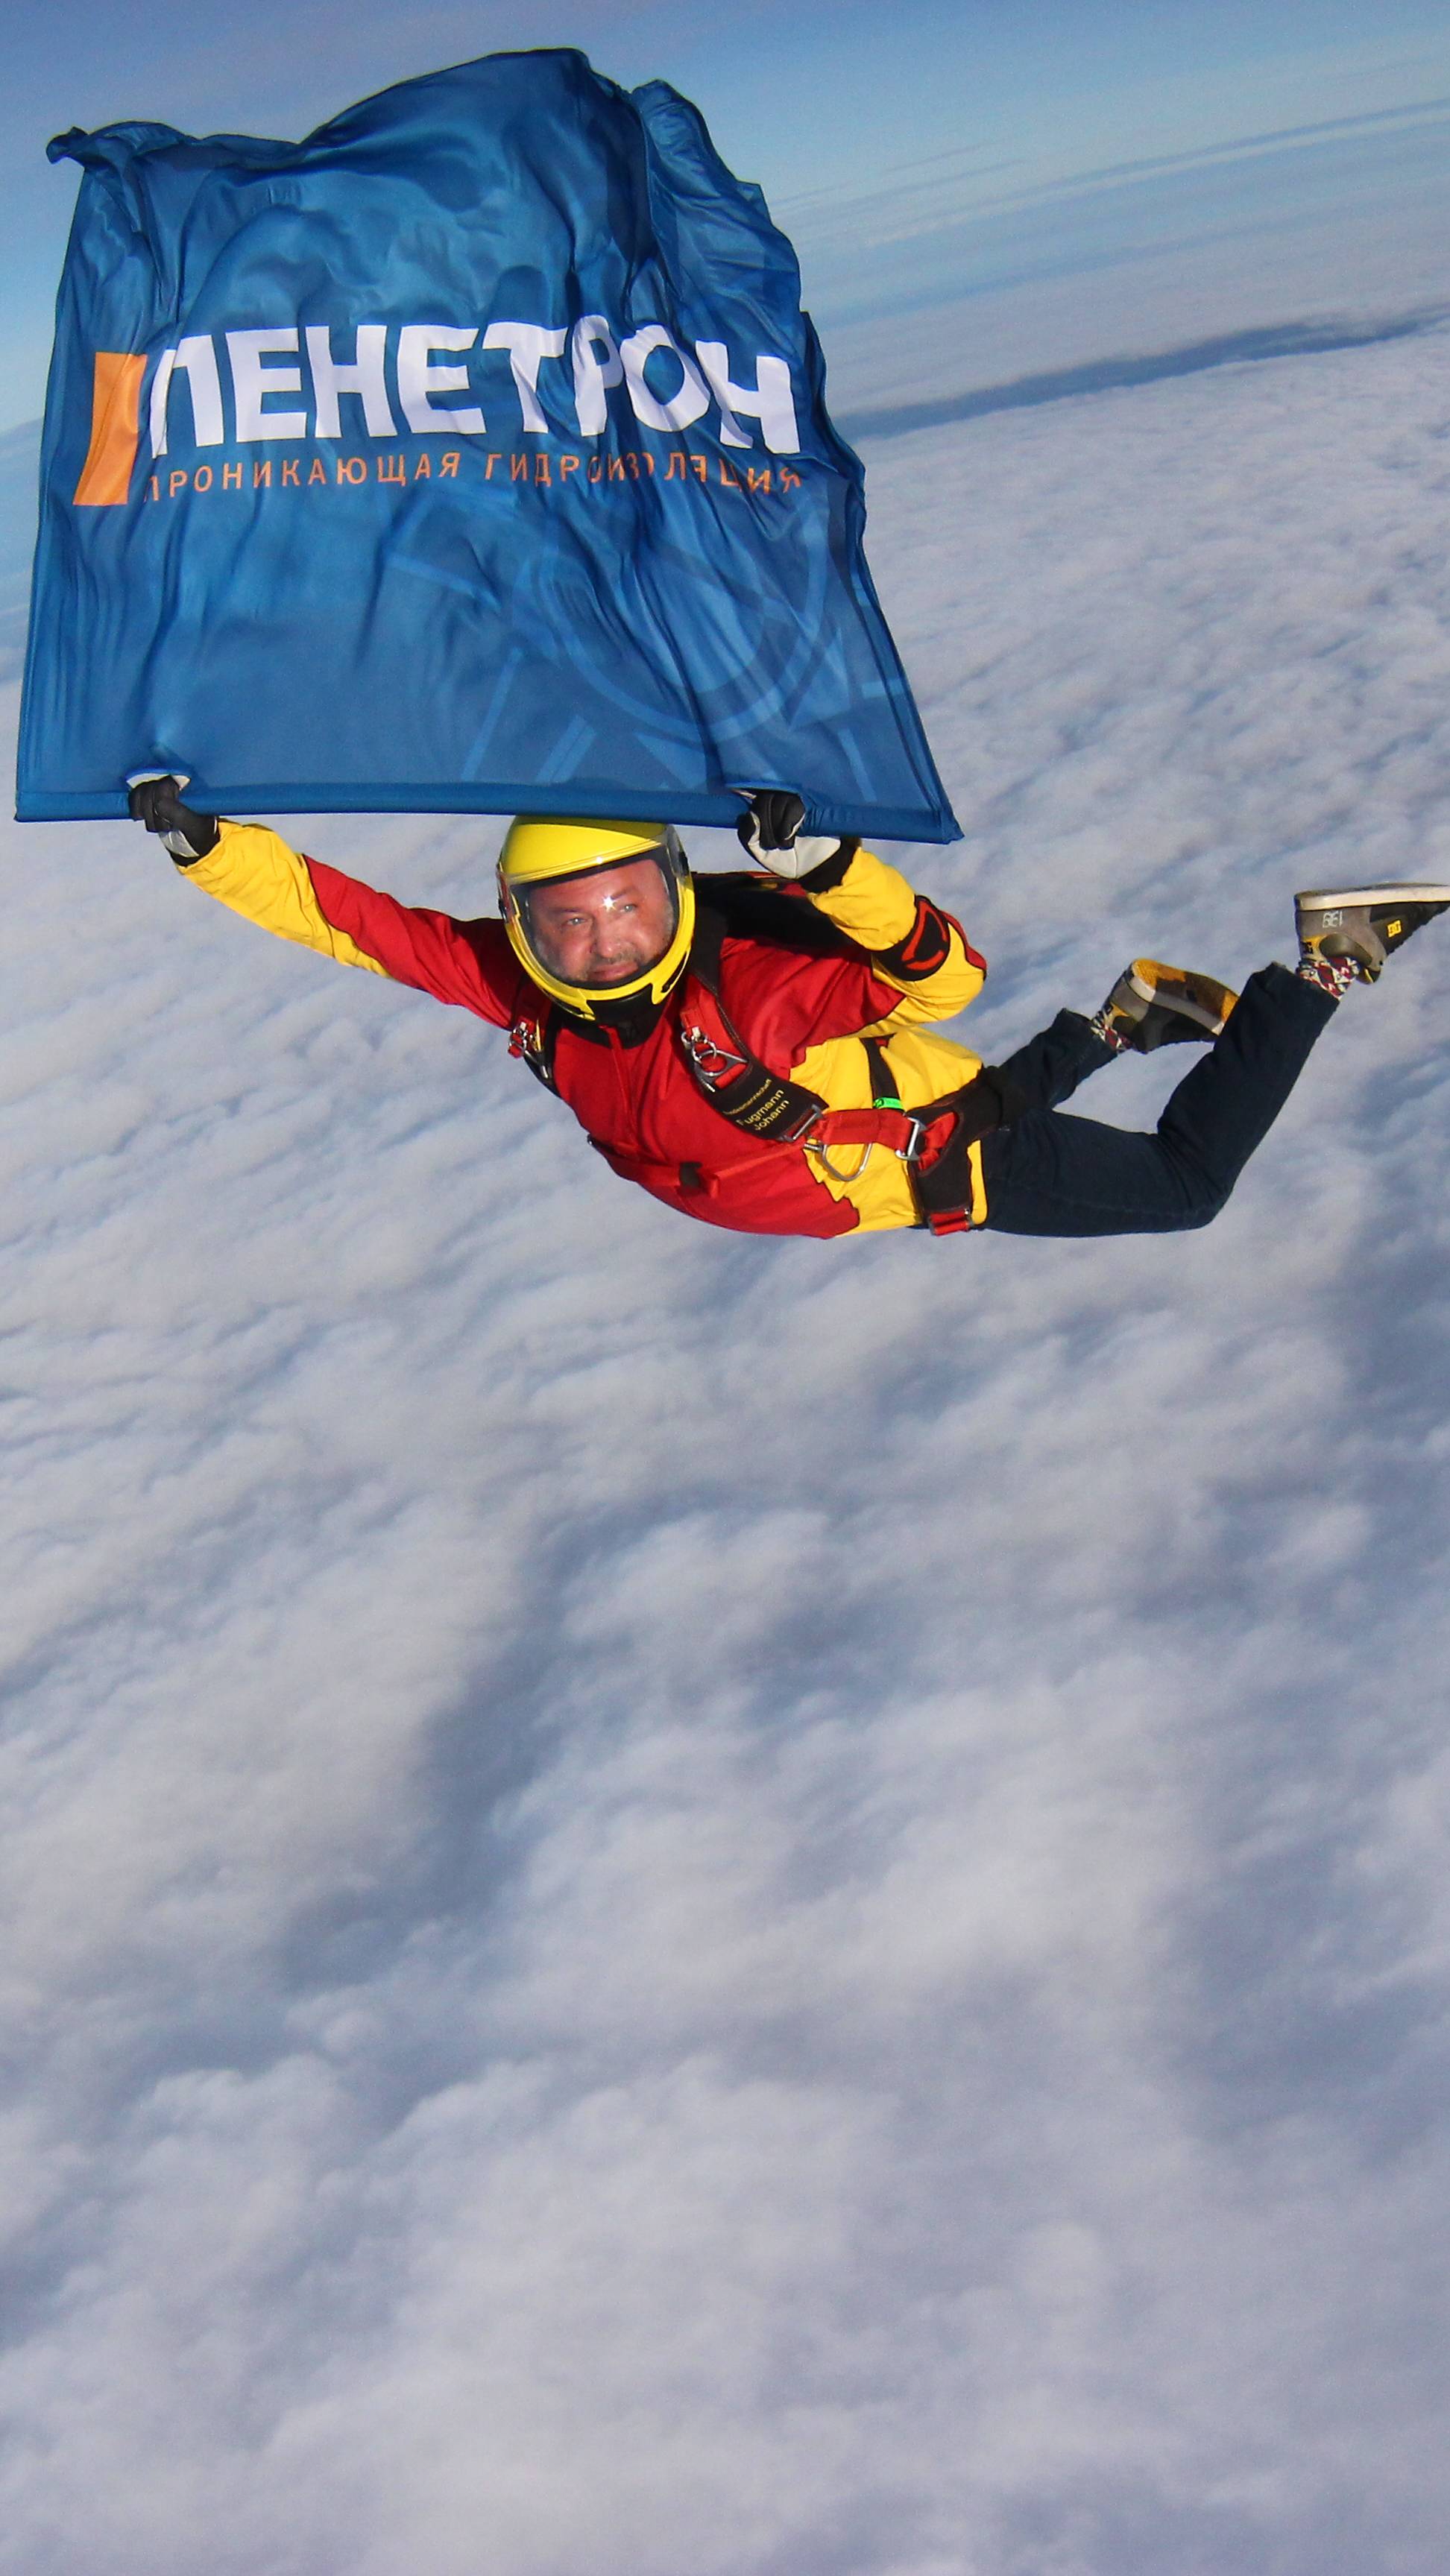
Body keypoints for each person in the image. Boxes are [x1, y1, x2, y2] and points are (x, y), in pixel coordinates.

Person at [128, 776, 1449, 1243]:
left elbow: (942, 975)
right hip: (848, 1154)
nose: (597, 938)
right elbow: (350, 923)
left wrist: (821, 867)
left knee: (1181, 1187)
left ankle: (1323, 964)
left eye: (628, 903)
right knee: (983, 1098)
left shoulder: (753, 985)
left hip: (914, 1164)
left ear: (673, 889)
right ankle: (1122, 1020)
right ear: (519, 921)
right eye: (563, 920)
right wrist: (205, 848)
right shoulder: (516, 986)